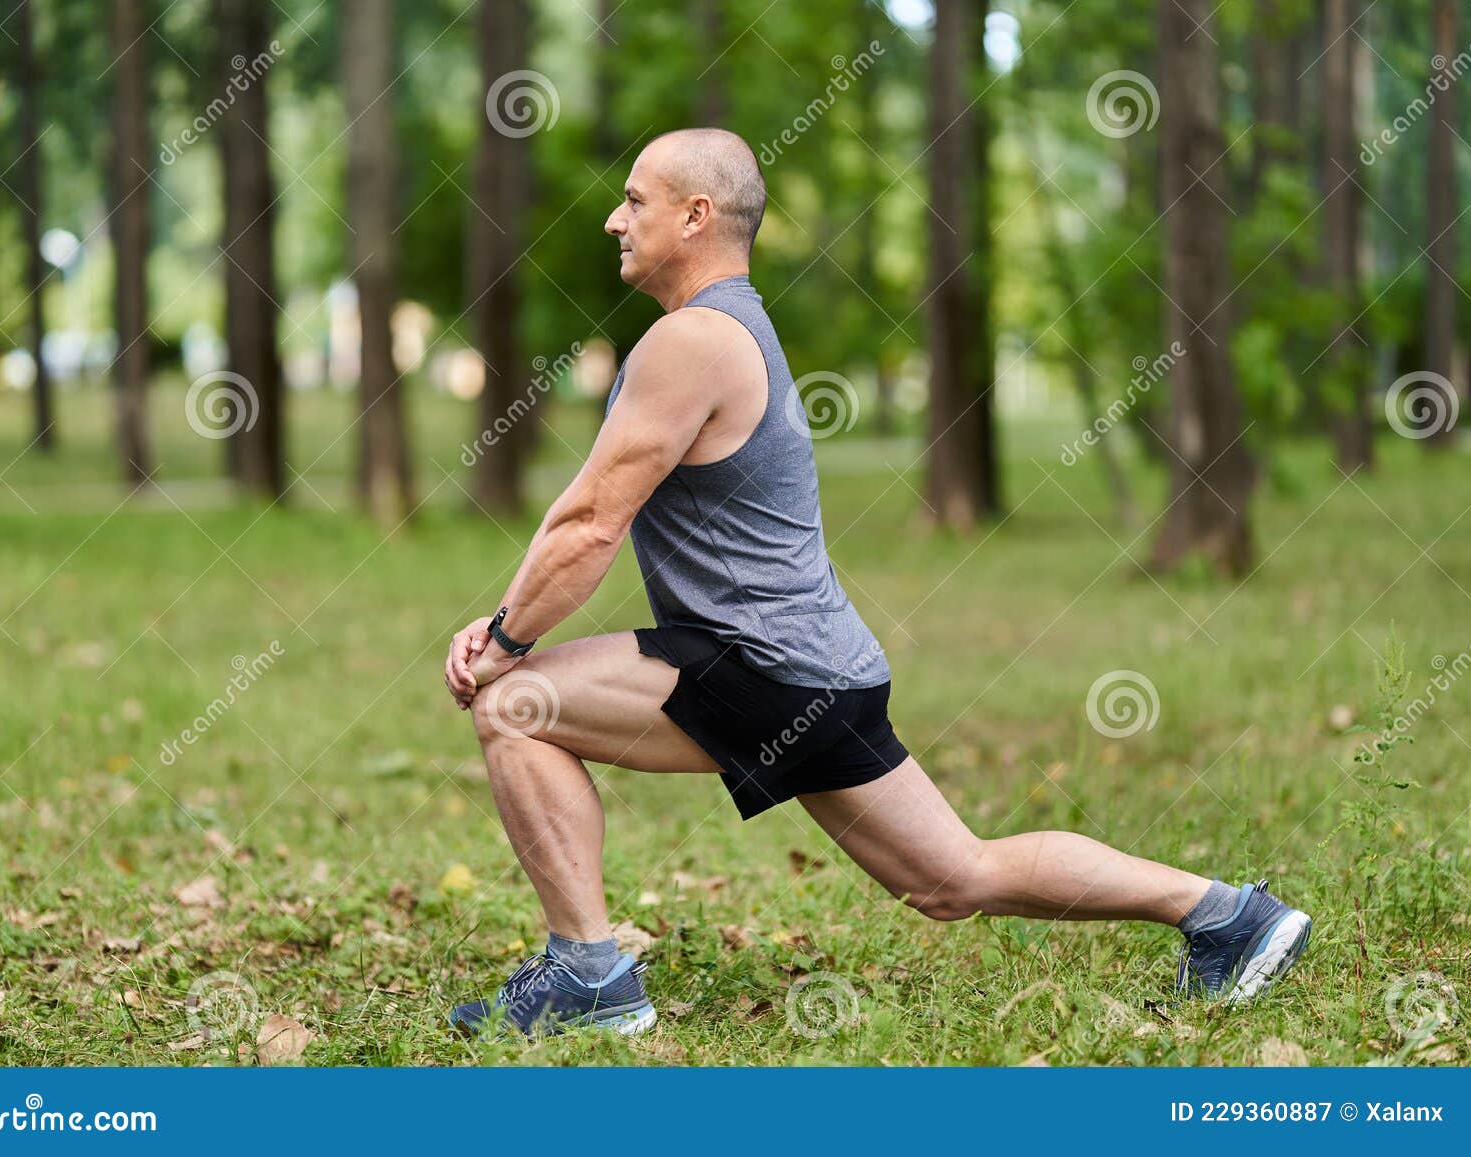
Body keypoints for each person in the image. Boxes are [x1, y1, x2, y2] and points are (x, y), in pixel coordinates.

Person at [441, 127, 1311, 1037]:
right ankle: (1228, 915)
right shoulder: (731, 328)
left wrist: (504, 643)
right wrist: (509, 621)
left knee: (516, 705)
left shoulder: (691, 341)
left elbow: (590, 523)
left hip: (763, 664)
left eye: (635, 200)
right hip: (821, 671)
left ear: (697, 216)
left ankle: (587, 978)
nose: (615, 220)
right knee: (952, 878)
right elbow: (588, 513)